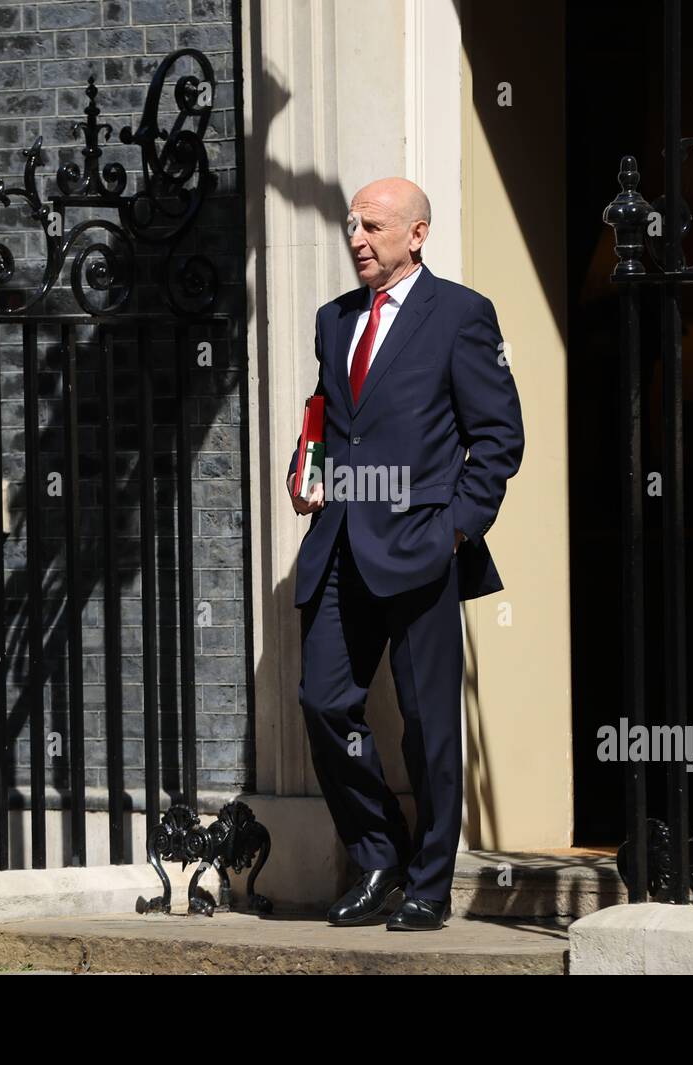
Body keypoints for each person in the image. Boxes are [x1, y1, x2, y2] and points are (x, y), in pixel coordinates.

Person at [285, 177, 525, 930]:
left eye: (373, 226)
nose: (356, 237)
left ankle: (429, 881)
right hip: (338, 546)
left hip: (424, 548)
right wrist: (306, 465)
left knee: (428, 725)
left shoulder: (460, 314)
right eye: (351, 225)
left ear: (416, 234)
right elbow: (329, 417)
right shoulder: (334, 320)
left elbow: (497, 438)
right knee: (324, 702)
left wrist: (456, 527)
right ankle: (380, 851)